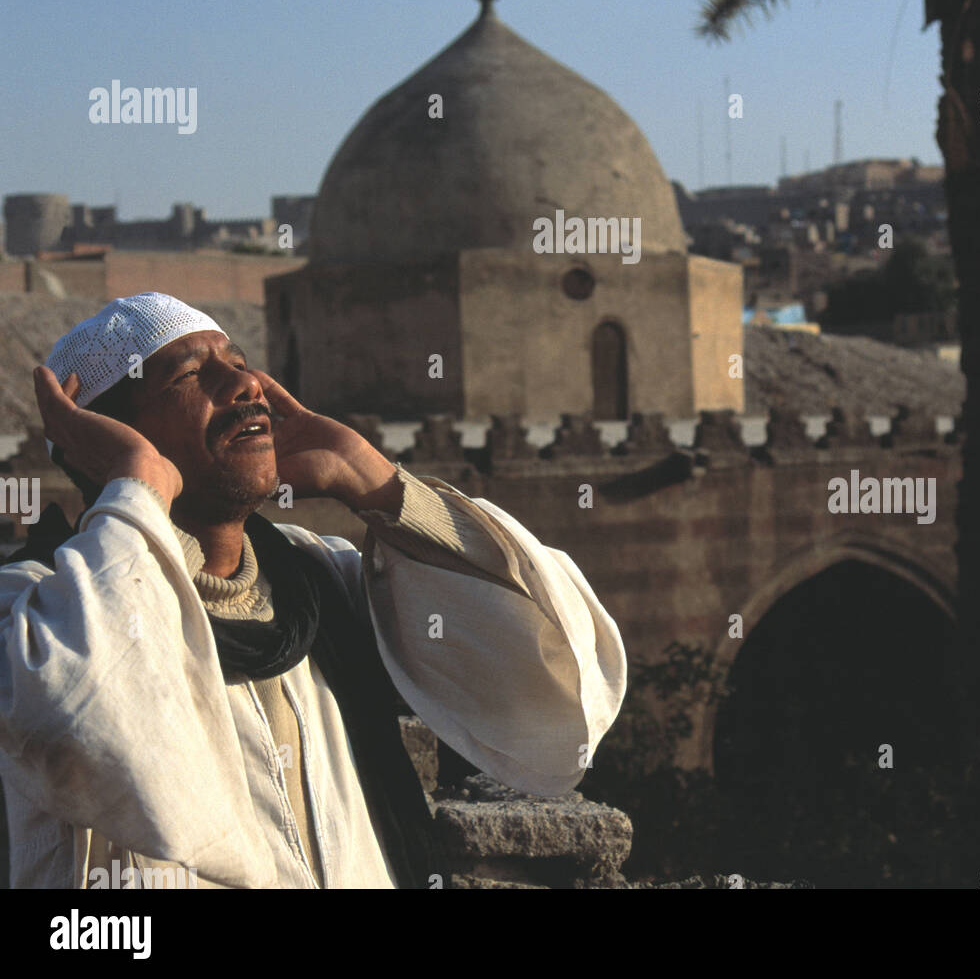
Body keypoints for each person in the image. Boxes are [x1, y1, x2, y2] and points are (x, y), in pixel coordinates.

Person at [0, 293, 626, 889]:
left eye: (239, 365)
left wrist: (376, 483)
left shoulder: (314, 581)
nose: (246, 386)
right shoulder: (36, 612)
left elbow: (547, 666)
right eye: (191, 375)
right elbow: (77, 718)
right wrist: (136, 484)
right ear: (100, 437)